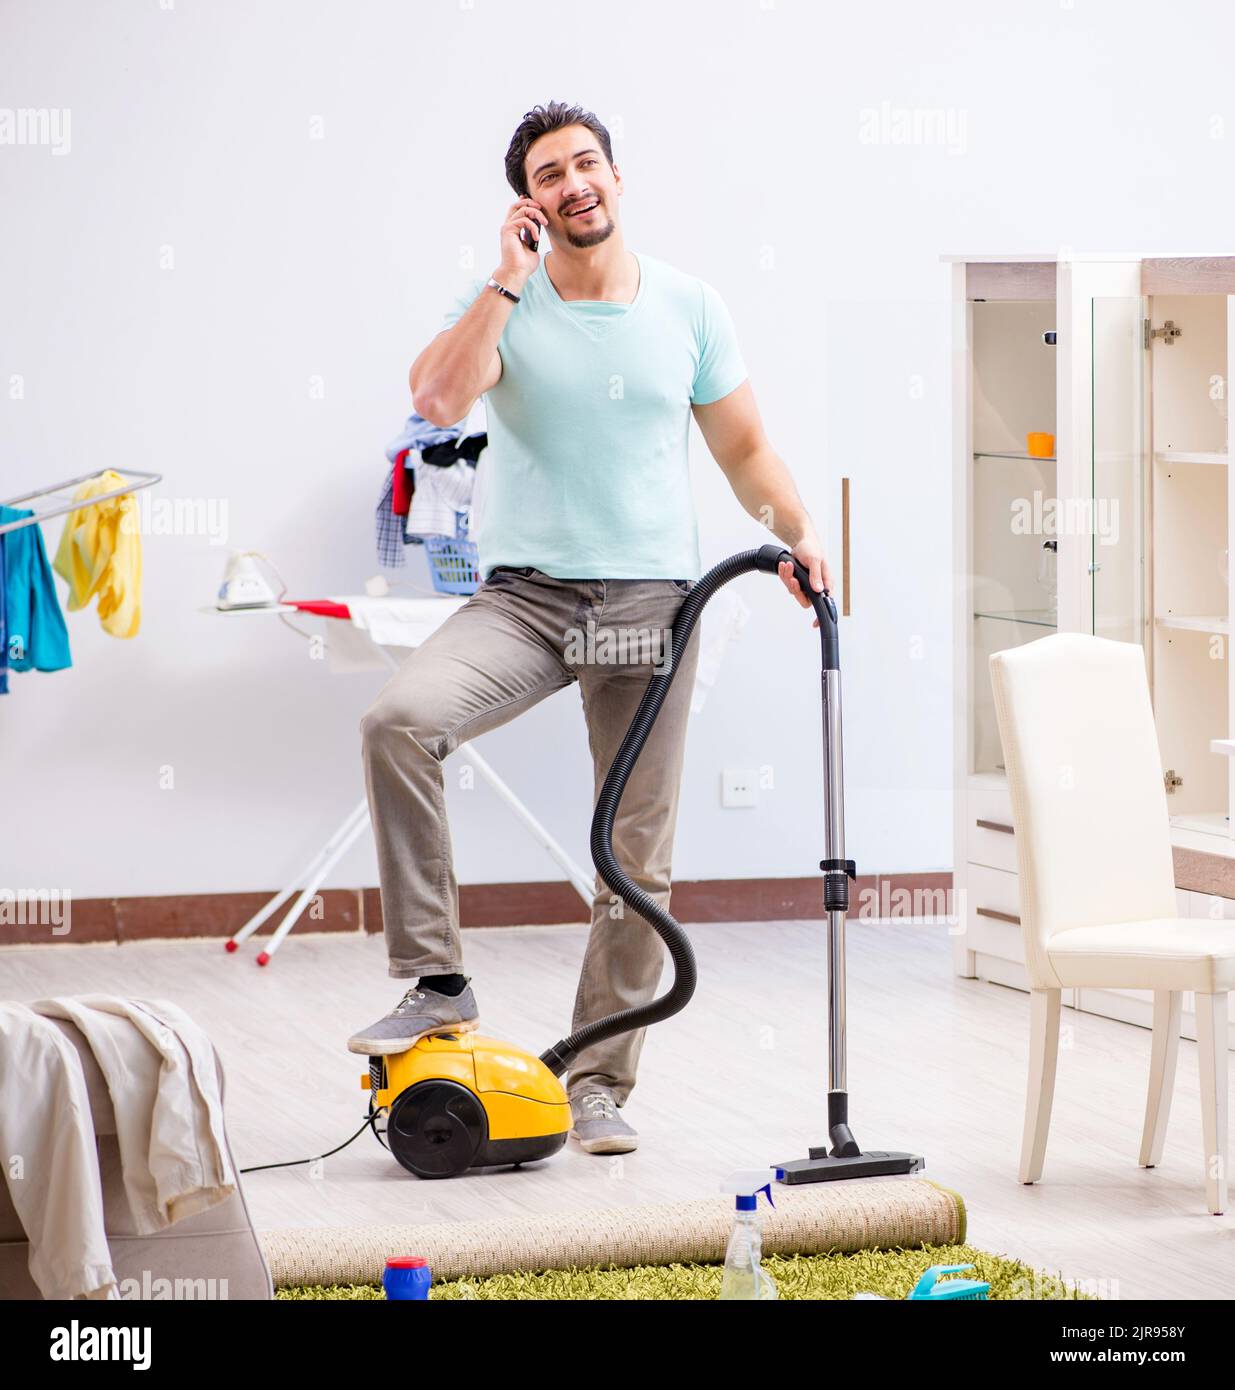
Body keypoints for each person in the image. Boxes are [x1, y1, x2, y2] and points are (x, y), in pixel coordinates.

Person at [349, 100, 830, 1156]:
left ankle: (598, 1083)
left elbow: (744, 449)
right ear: (528, 201)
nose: (573, 183)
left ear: (615, 174)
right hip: (525, 600)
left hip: (649, 606)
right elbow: (436, 400)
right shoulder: (504, 301)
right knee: (399, 722)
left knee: (631, 856)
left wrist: (795, 534)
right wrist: (504, 280)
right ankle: (436, 981)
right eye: (548, 174)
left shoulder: (689, 305)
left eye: (586, 163)